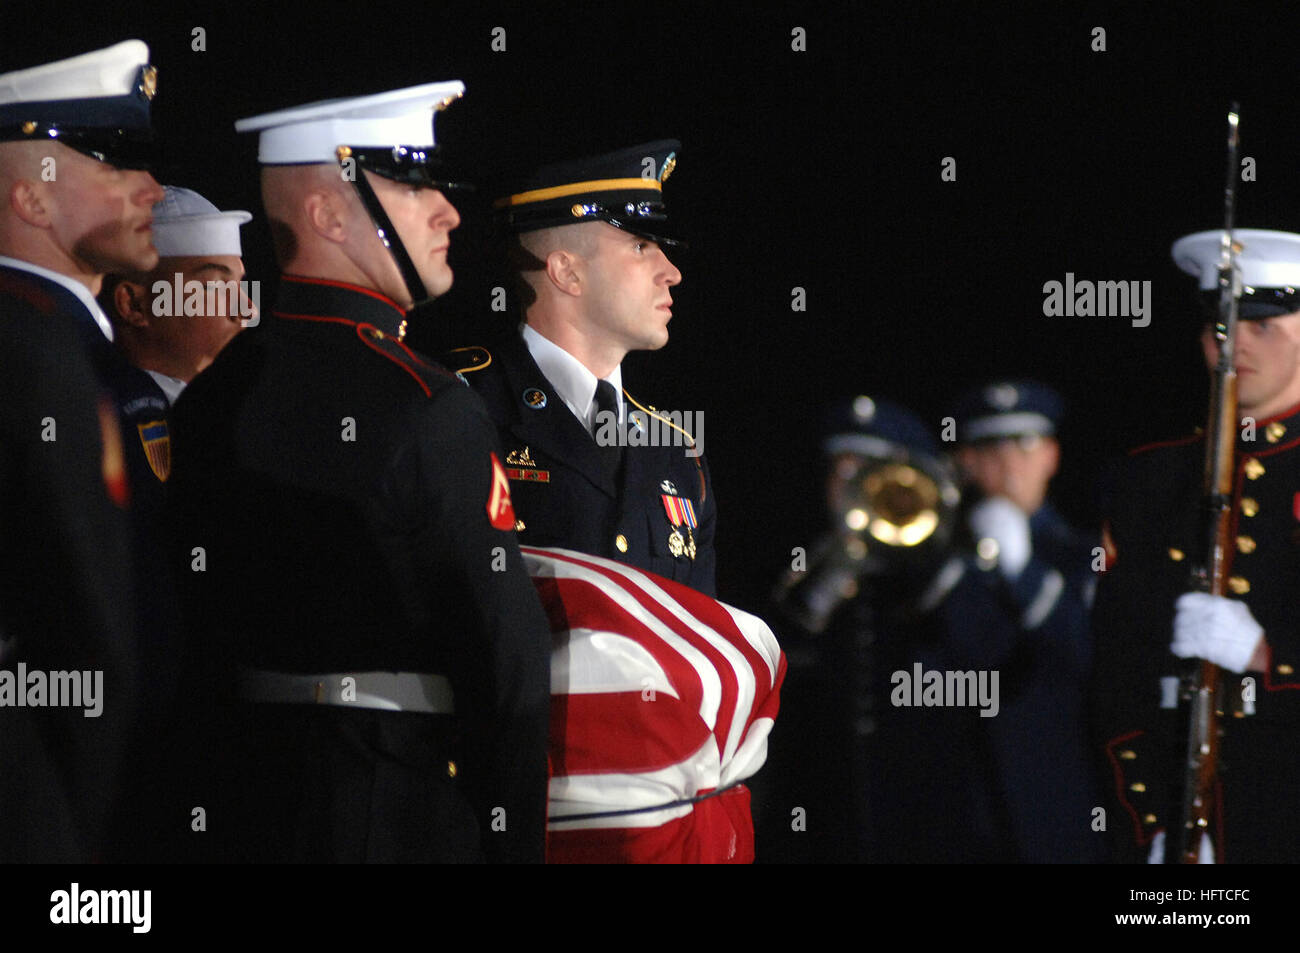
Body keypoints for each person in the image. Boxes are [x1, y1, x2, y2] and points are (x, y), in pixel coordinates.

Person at [166, 81, 551, 862]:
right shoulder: (427, 405)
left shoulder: (213, 395)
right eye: (411, 182)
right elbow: (508, 669)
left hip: (242, 811)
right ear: (326, 214)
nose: (447, 210)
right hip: (398, 808)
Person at [0, 39, 162, 861]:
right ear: (30, 197)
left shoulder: (56, 341)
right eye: (115, 157)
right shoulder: (38, 355)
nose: (153, 186)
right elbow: (94, 636)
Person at [1093, 229, 1300, 863]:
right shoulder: (1150, 479)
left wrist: (1271, 656)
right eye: (1219, 324)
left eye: (1262, 325)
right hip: (1184, 830)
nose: (1232, 342)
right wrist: (1151, 820)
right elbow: (1112, 668)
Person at [456, 141, 717, 596]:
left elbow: (694, 641)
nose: (671, 271)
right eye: (640, 246)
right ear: (567, 272)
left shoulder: (676, 449)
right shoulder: (460, 408)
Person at [947, 380, 1099, 862]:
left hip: (1060, 807)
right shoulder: (944, 559)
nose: (1010, 463)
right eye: (991, 447)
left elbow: (1080, 654)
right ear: (966, 462)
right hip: (964, 812)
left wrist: (1021, 568)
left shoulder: (1085, 553)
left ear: (1051, 455)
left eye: (1026, 445)